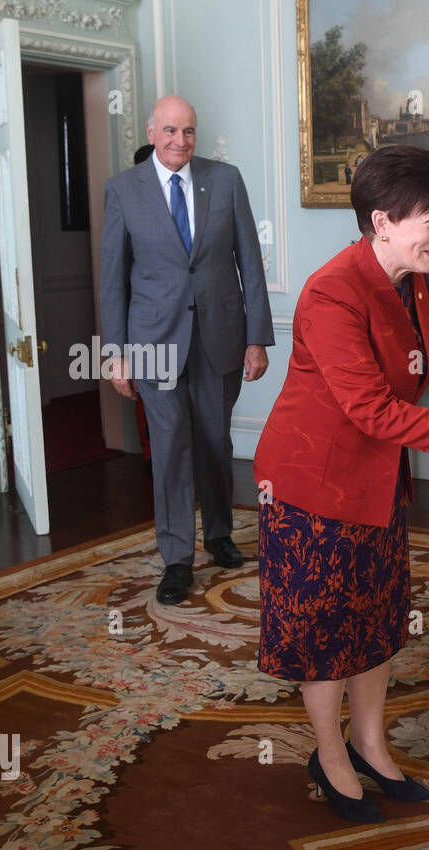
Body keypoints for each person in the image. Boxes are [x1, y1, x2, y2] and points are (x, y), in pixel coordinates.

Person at [252, 146, 429, 825]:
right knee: (326, 629)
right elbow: (372, 410)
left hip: (377, 476)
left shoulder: (414, 278)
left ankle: (371, 746)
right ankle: (329, 756)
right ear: (382, 221)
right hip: (313, 481)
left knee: (377, 616)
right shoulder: (331, 291)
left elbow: (408, 374)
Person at [101, 96, 273, 605]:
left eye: (190, 132)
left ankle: (219, 533)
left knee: (215, 441)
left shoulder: (225, 180)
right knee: (171, 444)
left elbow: (250, 262)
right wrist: (116, 353)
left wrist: (257, 336)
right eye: (171, 131)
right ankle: (177, 558)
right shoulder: (123, 190)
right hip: (152, 342)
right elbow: (112, 279)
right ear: (152, 132)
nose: (181, 141)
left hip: (220, 336)